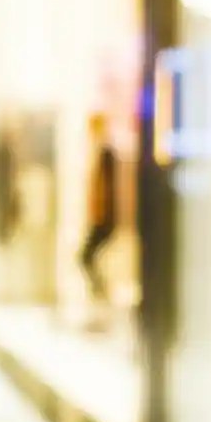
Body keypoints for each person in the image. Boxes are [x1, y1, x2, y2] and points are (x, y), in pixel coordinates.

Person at [79, 113, 117, 302]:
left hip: (105, 217)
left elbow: (108, 189)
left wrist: (102, 212)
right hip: (100, 215)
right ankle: (99, 293)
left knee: (85, 257)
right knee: (87, 258)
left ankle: (101, 293)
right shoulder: (99, 153)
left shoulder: (107, 154)